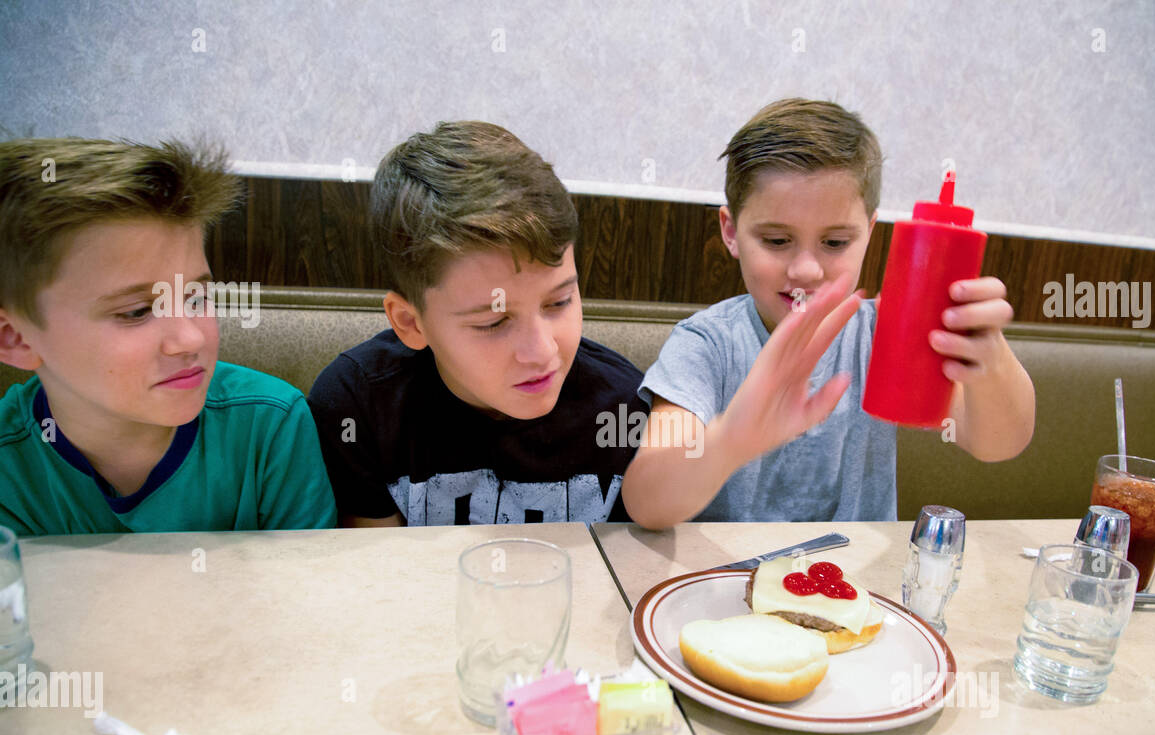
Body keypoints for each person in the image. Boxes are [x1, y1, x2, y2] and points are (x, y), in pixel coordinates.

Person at [621, 99, 1035, 527]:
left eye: (835, 243)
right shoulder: (705, 344)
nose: (806, 270)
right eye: (777, 240)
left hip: (857, 587)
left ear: (869, 233)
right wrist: (730, 441)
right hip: (728, 583)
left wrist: (991, 357)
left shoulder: (888, 334)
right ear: (730, 232)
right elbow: (647, 502)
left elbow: (998, 443)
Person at [308, 122, 646, 526]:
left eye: (558, 302)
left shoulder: (625, 410)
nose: (543, 352)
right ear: (410, 323)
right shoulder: (357, 407)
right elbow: (379, 581)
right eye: (494, 322)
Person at [0, 138, 336, 536]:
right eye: (137, 311)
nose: (190, 338)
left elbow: (304, 588)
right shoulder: (10, 470)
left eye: (196, 297)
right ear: (15, 339)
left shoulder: (270, 423)